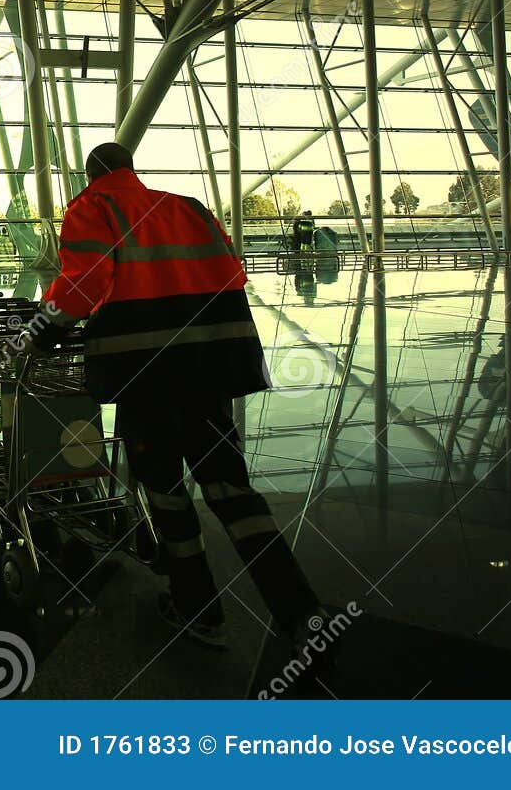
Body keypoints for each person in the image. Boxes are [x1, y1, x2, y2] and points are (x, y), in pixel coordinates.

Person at [30, 143, 323, 652]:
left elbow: (83, 284)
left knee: (165, 489)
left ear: (92, 173)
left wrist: (42, 328)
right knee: (233, 490)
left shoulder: (92, 207)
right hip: (207, 371)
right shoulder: (188, 206)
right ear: (131, 168)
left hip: (147, 375)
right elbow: (235, 274)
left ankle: (199, 608)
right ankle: (302, 615)